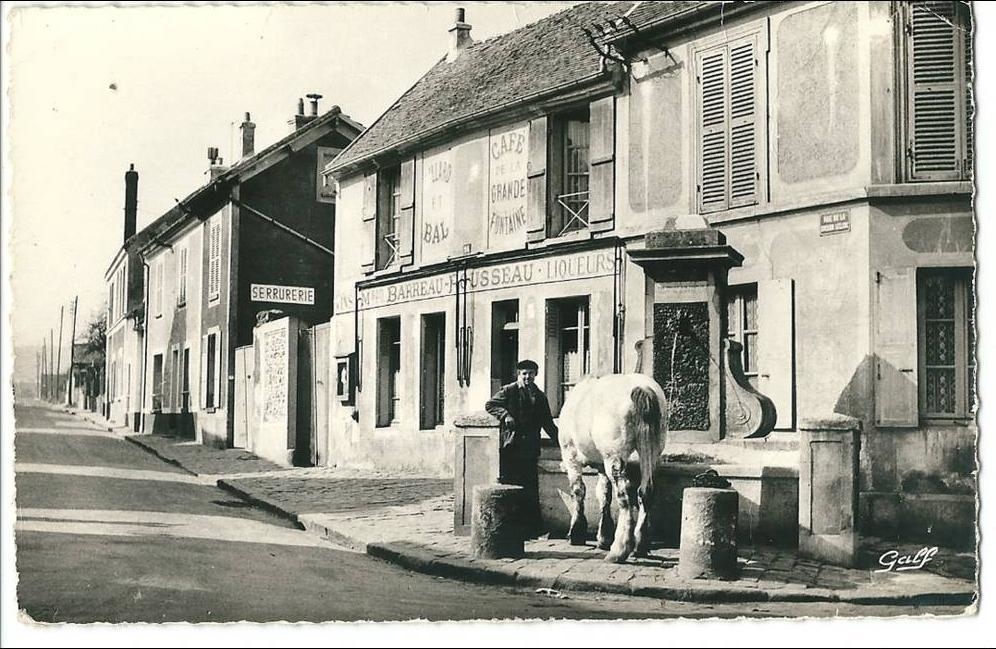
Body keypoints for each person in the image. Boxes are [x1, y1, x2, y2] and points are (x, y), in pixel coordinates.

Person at [485, 359, 558, 537]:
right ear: (519, 374)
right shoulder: (509, 391)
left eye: (531, 373)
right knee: (511, 486)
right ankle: (510, 529)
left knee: (529, 489)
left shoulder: (540, 396)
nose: (527, 377)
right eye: (524, 373)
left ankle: (530, 530)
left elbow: (547, 422)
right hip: (512, 447)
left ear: (536, 374)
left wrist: (560, 440)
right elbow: (490, 405)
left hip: (530, 448)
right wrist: (506, 415)